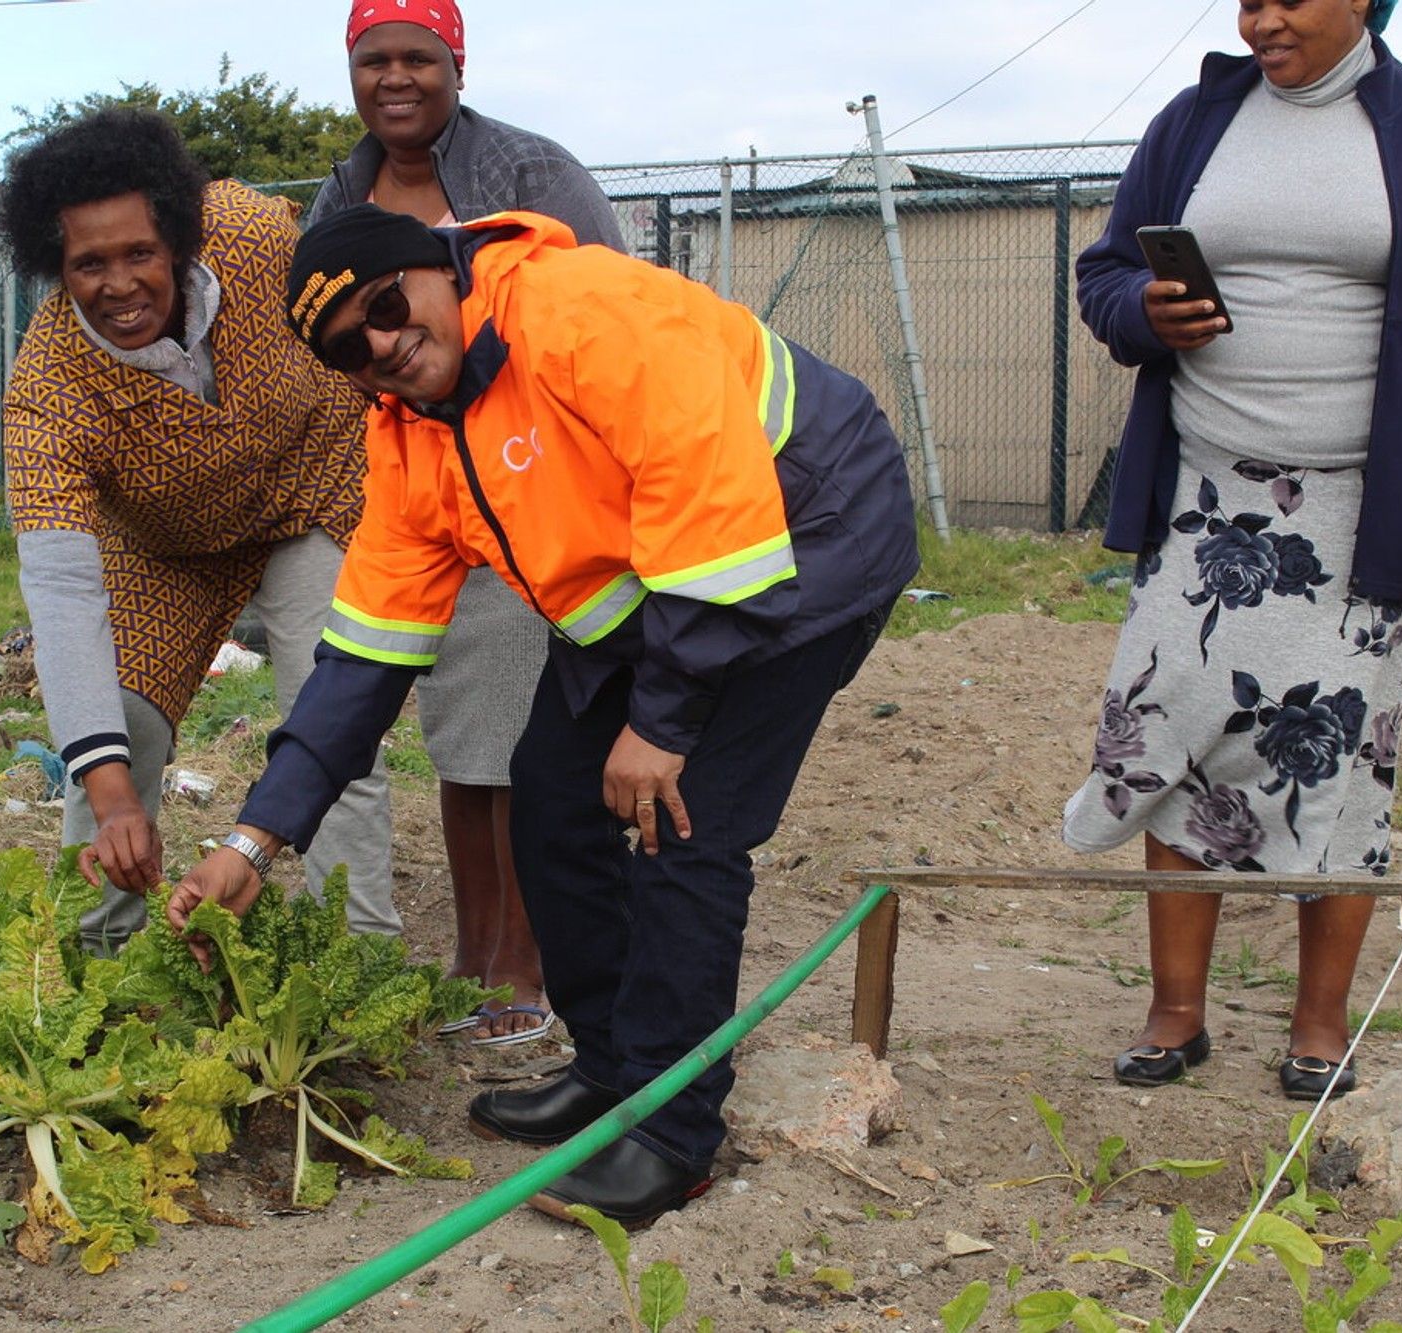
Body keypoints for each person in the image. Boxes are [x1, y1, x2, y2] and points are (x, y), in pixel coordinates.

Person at [168, 204, 919, 1225]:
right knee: (555, 801)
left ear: (439, 269)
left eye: (386, 307)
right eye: (351, 347)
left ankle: (670, 1129)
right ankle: (612, 1072)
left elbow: (708, 499)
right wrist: (251, 844)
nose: (383, 345)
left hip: (807, 539)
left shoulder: (579, 311)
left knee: (681, 823)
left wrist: (660, 725)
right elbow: (361, 661)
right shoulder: (409, 440)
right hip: (665, 581)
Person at [1064, 0, 1402, 1100]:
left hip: (1366, 512)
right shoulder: (1195, 123)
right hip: (1201, 501)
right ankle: (1174, 1011)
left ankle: (1319, 1022)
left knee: (1339, 757)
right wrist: (1146, 310)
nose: (1260, 20)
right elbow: (1101, 276)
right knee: (1171, 731)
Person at [0, 108, 401, 953]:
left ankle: (358, 956)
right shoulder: (45, 390)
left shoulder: (253, 233)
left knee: (329, 713)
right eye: (88, 264)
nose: (119, 284)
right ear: (54, 266)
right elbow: (64, 591)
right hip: (165, 547)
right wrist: (111, 795)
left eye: (139, 253)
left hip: (312, 489)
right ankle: (106, 965)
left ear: (178, 239)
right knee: (123, 724)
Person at [305, 0, 627, 1046]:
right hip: (433, 488)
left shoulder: (532, 173)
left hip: (537, 481)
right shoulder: (339, 193)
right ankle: (474, 949)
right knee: (459, 737)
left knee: (524, 737)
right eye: (373, 60)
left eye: (418, 58)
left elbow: (606, 303)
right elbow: (337, 343)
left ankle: (524, 966)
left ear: (455, 62)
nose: (395, 78)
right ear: (350, 71)